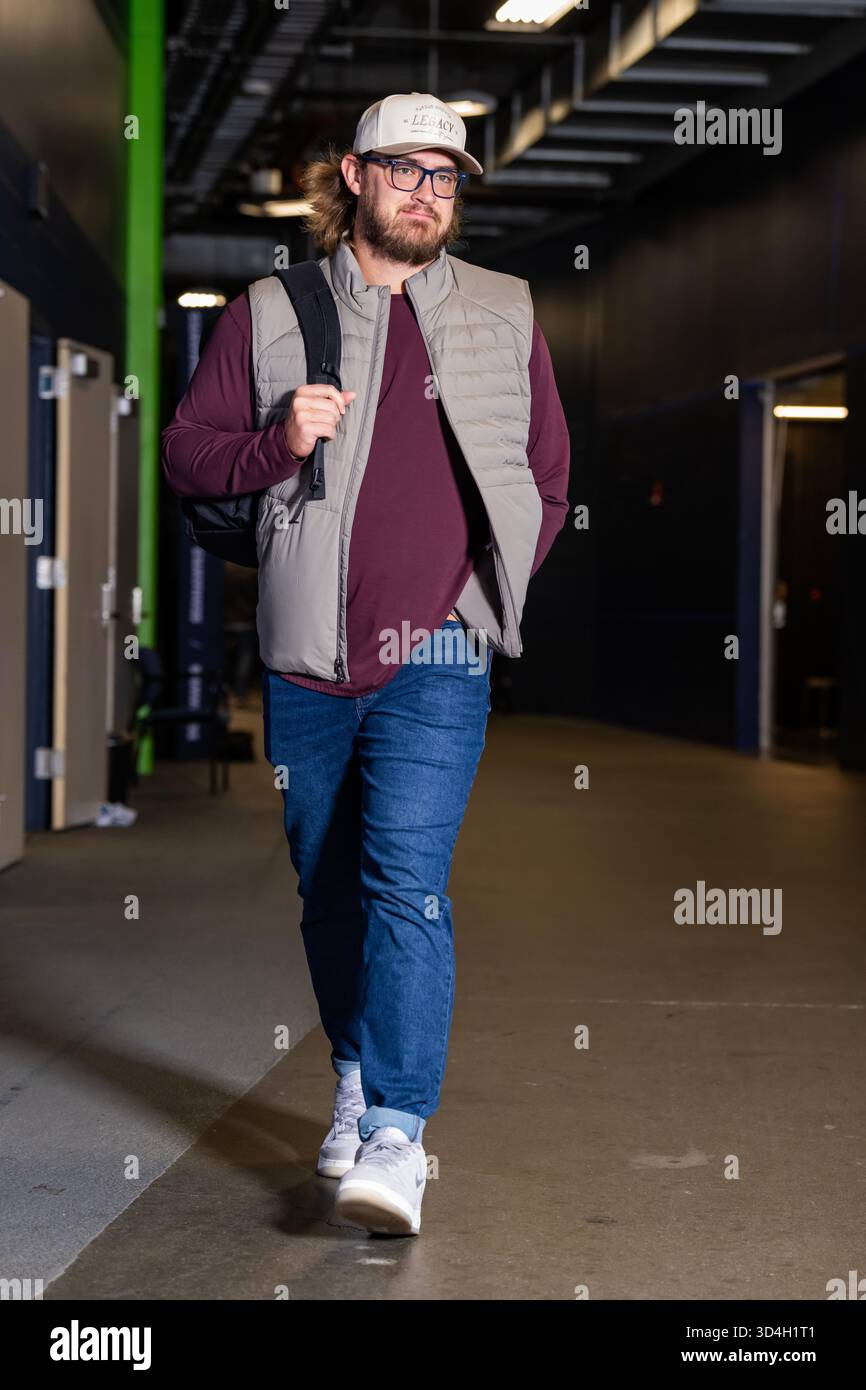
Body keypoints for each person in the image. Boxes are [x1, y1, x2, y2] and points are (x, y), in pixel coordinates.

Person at [161, 92, 570, 1237]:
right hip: (307, 656)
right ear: (353, 175)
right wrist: (276, 440)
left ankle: (395, 1129)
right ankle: (351, 1074)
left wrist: (486, 594)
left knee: (406, 879)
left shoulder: (502, 309)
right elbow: (186, 456)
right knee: (328, 885)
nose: (426, 193)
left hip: (439, 650)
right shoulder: (270, 310)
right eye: (404, 170)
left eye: (445, 176)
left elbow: (546, 475)